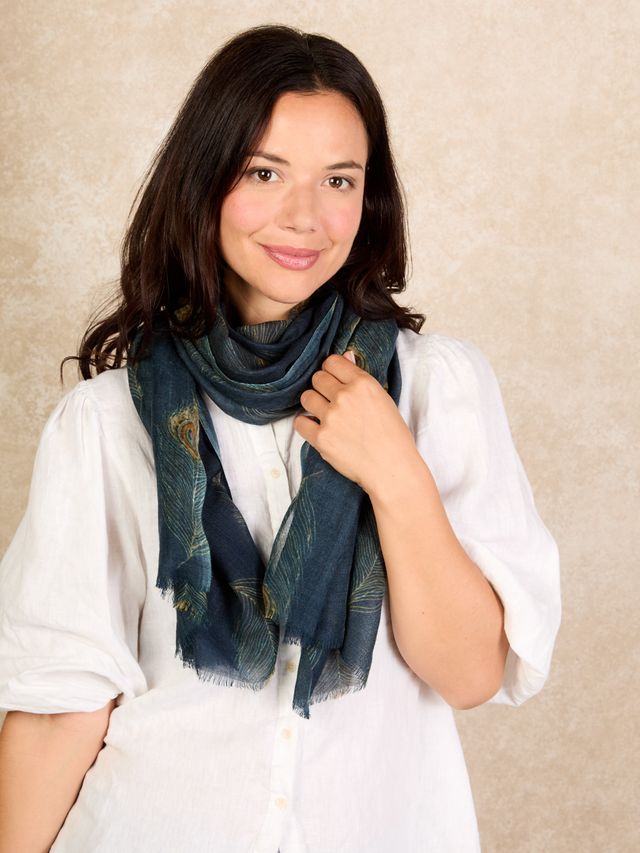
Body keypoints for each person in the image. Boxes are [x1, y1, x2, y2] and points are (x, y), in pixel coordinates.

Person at [0, 23, 561, 853]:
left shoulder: (439, 389)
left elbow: (470, 672)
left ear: (368, 199)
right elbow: (60, 709)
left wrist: (396, 473)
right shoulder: (106, 423)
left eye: (339, 180)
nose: (305, 217)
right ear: (206, 182)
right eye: (265, 172)